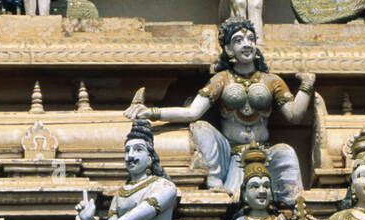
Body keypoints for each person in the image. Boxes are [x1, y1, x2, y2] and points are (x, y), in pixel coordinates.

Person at [128, 17, 313, 206]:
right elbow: (192, 113)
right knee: (201, 127)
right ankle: (215, 181)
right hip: (232, 154)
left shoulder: (272, 81)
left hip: (264, 153)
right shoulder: (222, 79)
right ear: (228, 49)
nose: (247, 44)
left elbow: (294, 116)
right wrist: (152, 113)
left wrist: (306, 85)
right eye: (238, 40)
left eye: (251, 39)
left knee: (286, 152)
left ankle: (296, 209)